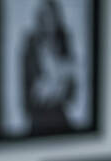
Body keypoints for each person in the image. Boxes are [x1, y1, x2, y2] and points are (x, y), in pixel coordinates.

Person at [21, 0, 77, 135]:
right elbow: (35, 93)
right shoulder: (31, 47)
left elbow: (70, 90)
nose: (47, 22)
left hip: (59, 117)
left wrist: (53, 88)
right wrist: (55, 86)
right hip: (39, 119)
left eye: (50, 16)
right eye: (43, 17)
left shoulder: (64, 44)